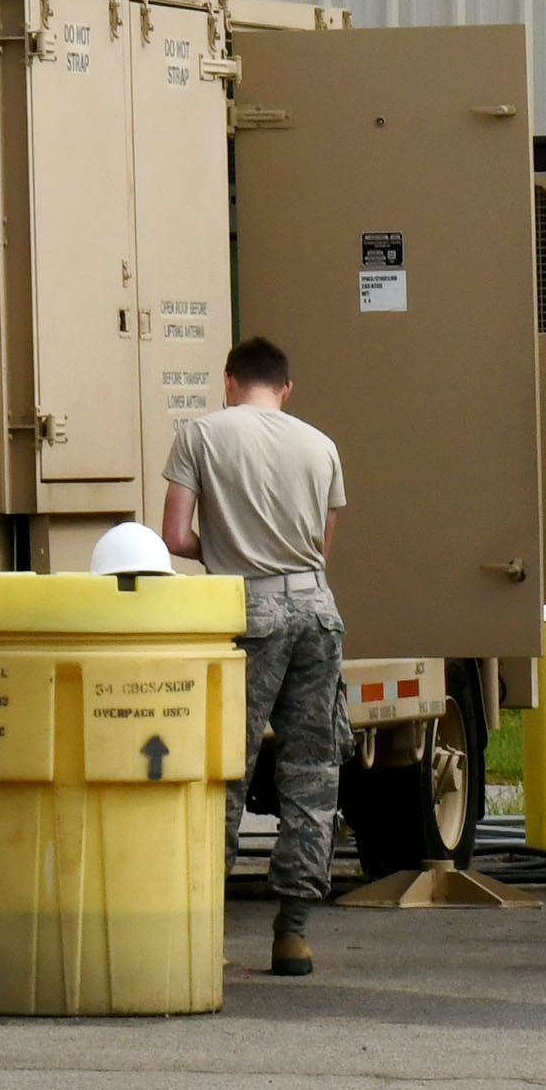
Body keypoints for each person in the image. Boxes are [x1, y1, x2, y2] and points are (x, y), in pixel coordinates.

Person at [160, 333, 350, 978]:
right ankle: (292, 936)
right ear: (286, 388)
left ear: (228, 380)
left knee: (225, 770)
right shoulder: (321, 444)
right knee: (312, 774)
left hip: (250, 614)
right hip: (318, 615)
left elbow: (174, 536)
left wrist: (226, 547)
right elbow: (321, 546)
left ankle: (205, 934)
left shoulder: (200, 435)